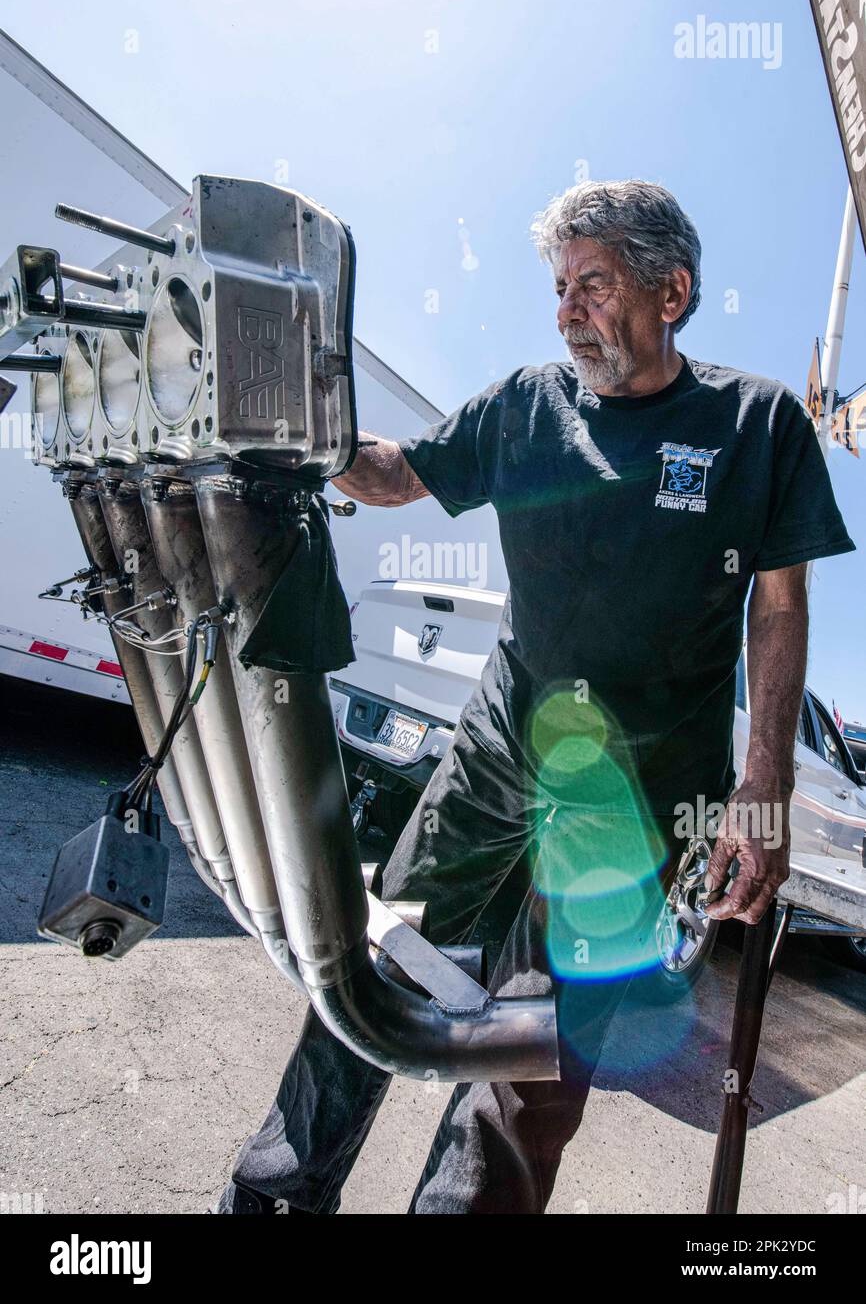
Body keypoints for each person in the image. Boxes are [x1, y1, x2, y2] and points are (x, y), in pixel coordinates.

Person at [217, 179, 854, 1214]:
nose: (563, 312)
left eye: (589, 285)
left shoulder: (757, 423)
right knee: (382, 968)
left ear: (671, 291)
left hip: (638, 797)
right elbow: (398, 470)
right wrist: (308, 441)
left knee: (531, 1065)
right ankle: (270, 1199)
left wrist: (763, 779)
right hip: (495, 752)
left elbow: (776, 608)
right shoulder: (525, 404)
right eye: (557, 289)